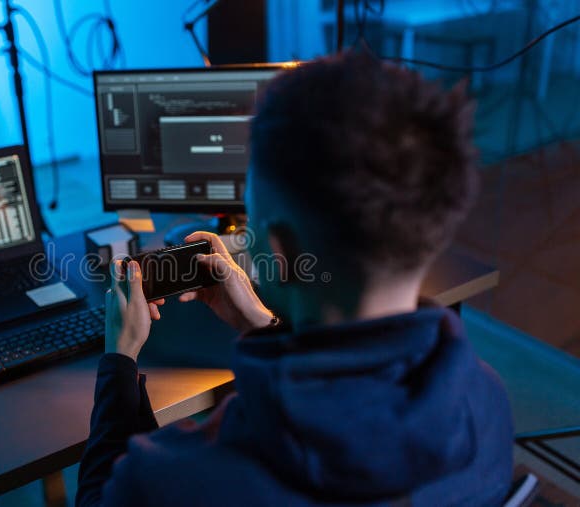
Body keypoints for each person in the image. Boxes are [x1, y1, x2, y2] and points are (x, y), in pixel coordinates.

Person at [76, 52, 513, 507]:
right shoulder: (489, 404)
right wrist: (261, 324)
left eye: (253, 219)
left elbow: (102, 498)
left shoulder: (178, 479)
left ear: (279, 251)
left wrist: (120, 363)